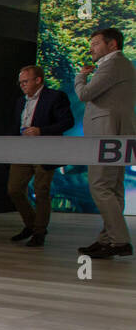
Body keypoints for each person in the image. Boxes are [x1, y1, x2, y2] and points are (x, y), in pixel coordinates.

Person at [74, 27, 134, 258]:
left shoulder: (113, 64)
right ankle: (108, 239)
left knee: (100, 185)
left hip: (107, 133)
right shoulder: (121, 65)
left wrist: (80, 76)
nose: (91, 48)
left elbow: (85, 94)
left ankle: (119, 241)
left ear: (112, 45)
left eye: (96, 43)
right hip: (117, 134)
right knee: (113, 187)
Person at [8, 65, 73, 247]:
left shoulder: (55, 97)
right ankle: (31, 225)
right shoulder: (20, 101)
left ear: (38, 80)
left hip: (45, 150)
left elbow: (67, 121)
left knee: (41, 191)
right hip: (22, 150)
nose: (22, 85)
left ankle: (39, 231)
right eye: (20, 82)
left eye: (26, 81)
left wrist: (41, 130)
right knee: (14, 189)